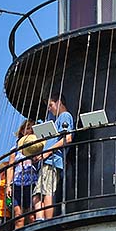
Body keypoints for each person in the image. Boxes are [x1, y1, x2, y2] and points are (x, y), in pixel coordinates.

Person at [35, 93, 73, 221]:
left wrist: (47, 152)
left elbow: (68, 138)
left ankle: (44, 220)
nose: (49, 108)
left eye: (51, 105)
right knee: (40, 194)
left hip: (51, 161)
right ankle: (40, 218)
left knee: (46, 192)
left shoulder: (65, 116)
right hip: (49, 161)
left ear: (59, 102)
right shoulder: (58, 119)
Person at [9, 120, 42, 230]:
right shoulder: (15, 149)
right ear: (22, 131)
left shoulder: (37, 146)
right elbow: (10, 167)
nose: (30, 130)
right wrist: (8, 185)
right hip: (18, 184)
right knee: (19, 216)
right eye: (28, 128)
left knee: (32, 216)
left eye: (33, 128)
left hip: (32, 182)